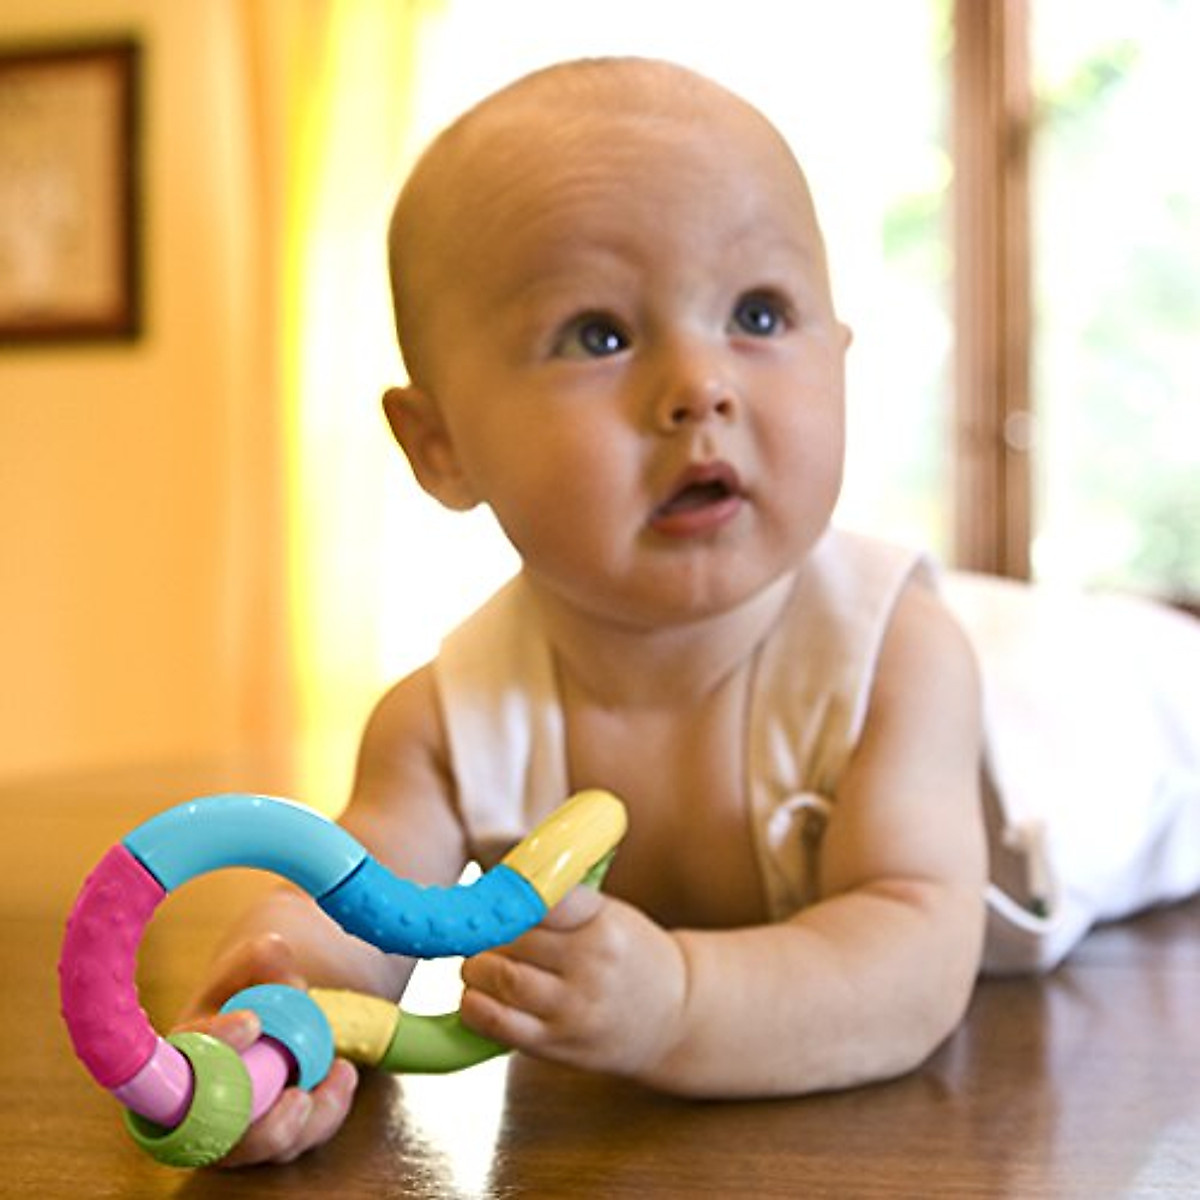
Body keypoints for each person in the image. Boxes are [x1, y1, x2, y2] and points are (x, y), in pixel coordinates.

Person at [182, 56, 1200, 1167]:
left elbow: (912, 964)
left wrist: (678, 1003)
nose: (699, 385)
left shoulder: (899, 661)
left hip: (1114, 708)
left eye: (758, 314)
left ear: (841, 365)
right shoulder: (443, 721)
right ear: (439, 445)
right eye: (599, 335)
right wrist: (280, 1009)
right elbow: (356, 910)